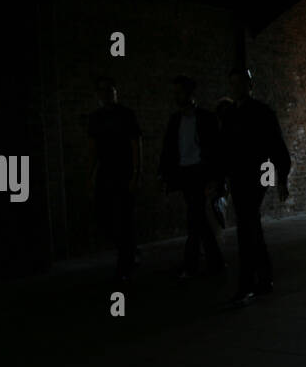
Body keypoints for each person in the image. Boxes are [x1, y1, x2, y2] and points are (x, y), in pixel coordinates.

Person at [218, 68, 290, 306]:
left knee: (247, 226)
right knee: (251, 226)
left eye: (240, 83)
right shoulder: (230, 113)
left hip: (257, 175)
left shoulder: (261, 112)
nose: (236, 88)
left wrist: (282, 178)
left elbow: (276, 145)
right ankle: (264, 278)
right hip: (239, 176)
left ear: (250, 86)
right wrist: (222, 178)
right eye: (233, 84)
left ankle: (247, 283)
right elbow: (225, 148)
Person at [158, 75, 225, 280]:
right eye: (175, 92)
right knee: (198, 218)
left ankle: (192, 264)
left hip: (200, 172)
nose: (176, 96)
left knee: (195, 217)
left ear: (190, 93)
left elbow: (217, 150)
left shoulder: (206, 118)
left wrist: (215, 178)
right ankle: (213, 262)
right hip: (184, 173)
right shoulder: (175, 120)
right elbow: (169, 148)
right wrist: (165, 174)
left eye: (180, 92)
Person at [88, 77, 142, 283]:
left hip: (124, 171)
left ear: (115, 93)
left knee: (125, 218)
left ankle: (125, 265)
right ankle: (130, 251)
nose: (107, 95)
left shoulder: (126, 115)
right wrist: (91, 174)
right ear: (98, 95)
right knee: (104, 216)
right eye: (103, 92)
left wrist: (136, 173)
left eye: (110, 91)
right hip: (105, 172)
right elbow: (93, 148)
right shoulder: (96, 118)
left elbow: (136, 144)